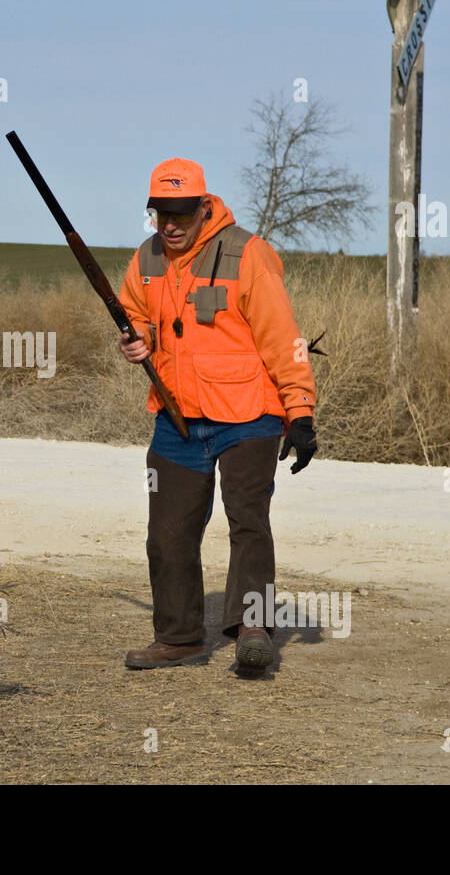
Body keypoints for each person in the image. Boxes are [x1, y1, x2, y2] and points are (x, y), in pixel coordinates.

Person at [118, 157, 318, 671]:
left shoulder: (248, 255)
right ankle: (180, 638)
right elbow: (137, 315)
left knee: (248, 524)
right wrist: (138, 340)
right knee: (167, 533)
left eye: (182, 213)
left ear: (205, 206)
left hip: (249, 416)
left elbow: (283, 338)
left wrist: (299, 412)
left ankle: (253, 630)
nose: (170, 224)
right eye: (161, 212)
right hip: (178, 418)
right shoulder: (145, 259)